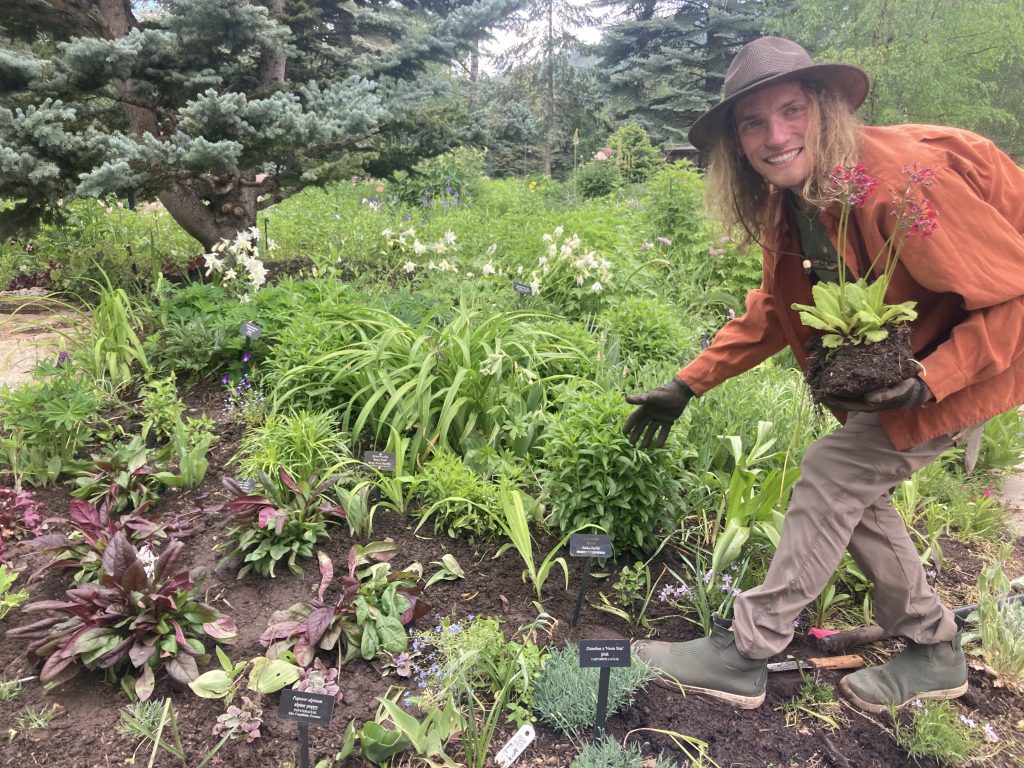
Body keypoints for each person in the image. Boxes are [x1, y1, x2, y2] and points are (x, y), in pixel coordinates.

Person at [623, 36, 1024, 712]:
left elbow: (1014, 295)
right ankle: (933, 647)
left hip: (978, 356)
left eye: (792, 110)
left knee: (836, 470)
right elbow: (778, 309)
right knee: (855, 490)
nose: (774, 136)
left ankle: (748, 650)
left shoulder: (900, 187)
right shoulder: (801, 193)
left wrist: (932, 378)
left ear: (827, 109)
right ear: (735, 141)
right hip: (909, 363)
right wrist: (689, 381)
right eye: (753, 122)